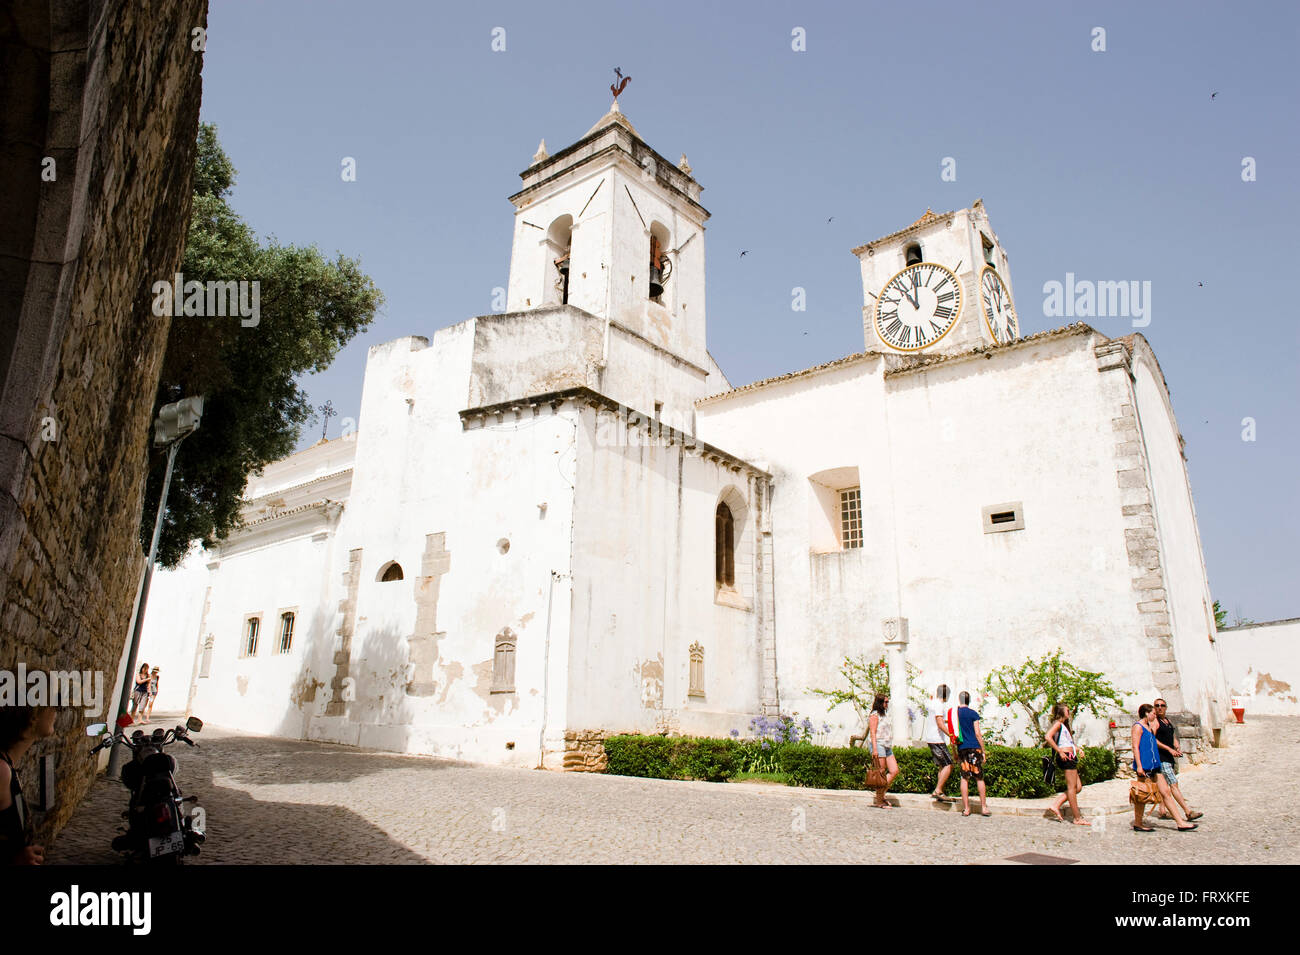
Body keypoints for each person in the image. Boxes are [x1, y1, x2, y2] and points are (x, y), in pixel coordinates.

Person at [0, 704, 57, 865]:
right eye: (55, 704)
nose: (56, 712)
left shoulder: (8, 766)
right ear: (33, 716)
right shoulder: (1, 771)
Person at [1131, 703, 1196, 832]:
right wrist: (1139, 766)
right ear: (1146, 713)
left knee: (1165, 792)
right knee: (1142, 795)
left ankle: (1180, 822)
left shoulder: (1149, 726)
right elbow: (1135, 747)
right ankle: (1138, 823)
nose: (1155, 715)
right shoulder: (1138, 727)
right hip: (1145, 766)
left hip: (1155, 764)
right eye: (1153, 713)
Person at [1151, 699, 1202, 822]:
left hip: (1168, 758)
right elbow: (1153, 739)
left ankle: (1162, 810)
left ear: (1166, 707)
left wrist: (1175, 742)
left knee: (1165, 787)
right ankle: (1188, 812)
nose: (1159, 708)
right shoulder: (1155, 722)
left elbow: (1171, 733)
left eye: (1162, 705)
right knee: (1173, 784)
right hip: (1161, 758)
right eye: (1157, 706)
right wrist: (1169, 749)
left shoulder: (1167, 721)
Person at [1046, 703, 1091, 825]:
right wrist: (1059, 751)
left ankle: (1056, 804)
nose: (1069, 712)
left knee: (1078, 787)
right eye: (1067, 710)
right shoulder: (1058, 724)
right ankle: (1077, 818)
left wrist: (1077, 749)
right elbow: (1048, 737)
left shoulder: (1064, 726)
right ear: (1061, 712)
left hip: (1070, 756)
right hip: (1066, 758)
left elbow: (1067, 743)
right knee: (1072, 788)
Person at [955, 691, 989, 817]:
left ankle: (966, 808)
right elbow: (978, 733)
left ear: (960, 700)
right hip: (974, 747)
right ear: (969, 700)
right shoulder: (973, 714)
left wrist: (954, 751)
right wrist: (983, 751)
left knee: (964, 778)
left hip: (962, 747)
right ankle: (984, 807)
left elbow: (953, 733)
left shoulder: (956, 714)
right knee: (979, 777)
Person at [924, 684, 954, 801]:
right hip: (937, 739)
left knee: (942, 765)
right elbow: (940, 723)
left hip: (931, 738)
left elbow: (939, 719)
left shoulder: (932, 703)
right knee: (949, 764)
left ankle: (937, 790)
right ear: (946, 695)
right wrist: (951, 735)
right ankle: (938, 790)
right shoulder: (939, 705)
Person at [868, 694, 899, 808]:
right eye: (885, 702)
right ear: (880, 703)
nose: (887, 704)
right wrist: (875, 749)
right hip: (879, 745)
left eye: (887, 702)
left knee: (894, 770)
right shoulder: (874, 715)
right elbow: (872, 732)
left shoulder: (885, 715)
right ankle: (880, 800)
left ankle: (881, 795)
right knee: (881, 773)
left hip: (887, 745)